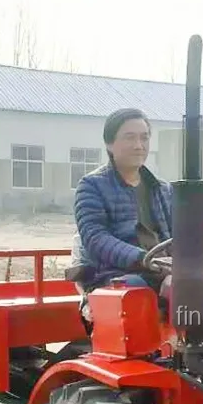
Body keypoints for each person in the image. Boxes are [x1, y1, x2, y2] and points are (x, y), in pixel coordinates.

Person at [68, 108, 174, 323]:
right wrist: (141, 258)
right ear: (109, 143)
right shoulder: (92, 186)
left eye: (144, 138)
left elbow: (178, 235)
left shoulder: (162, 189)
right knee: (136, 291)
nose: (139, 145)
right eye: (130, 137)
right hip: (113, 275)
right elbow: (95, 238)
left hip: (161, 269)